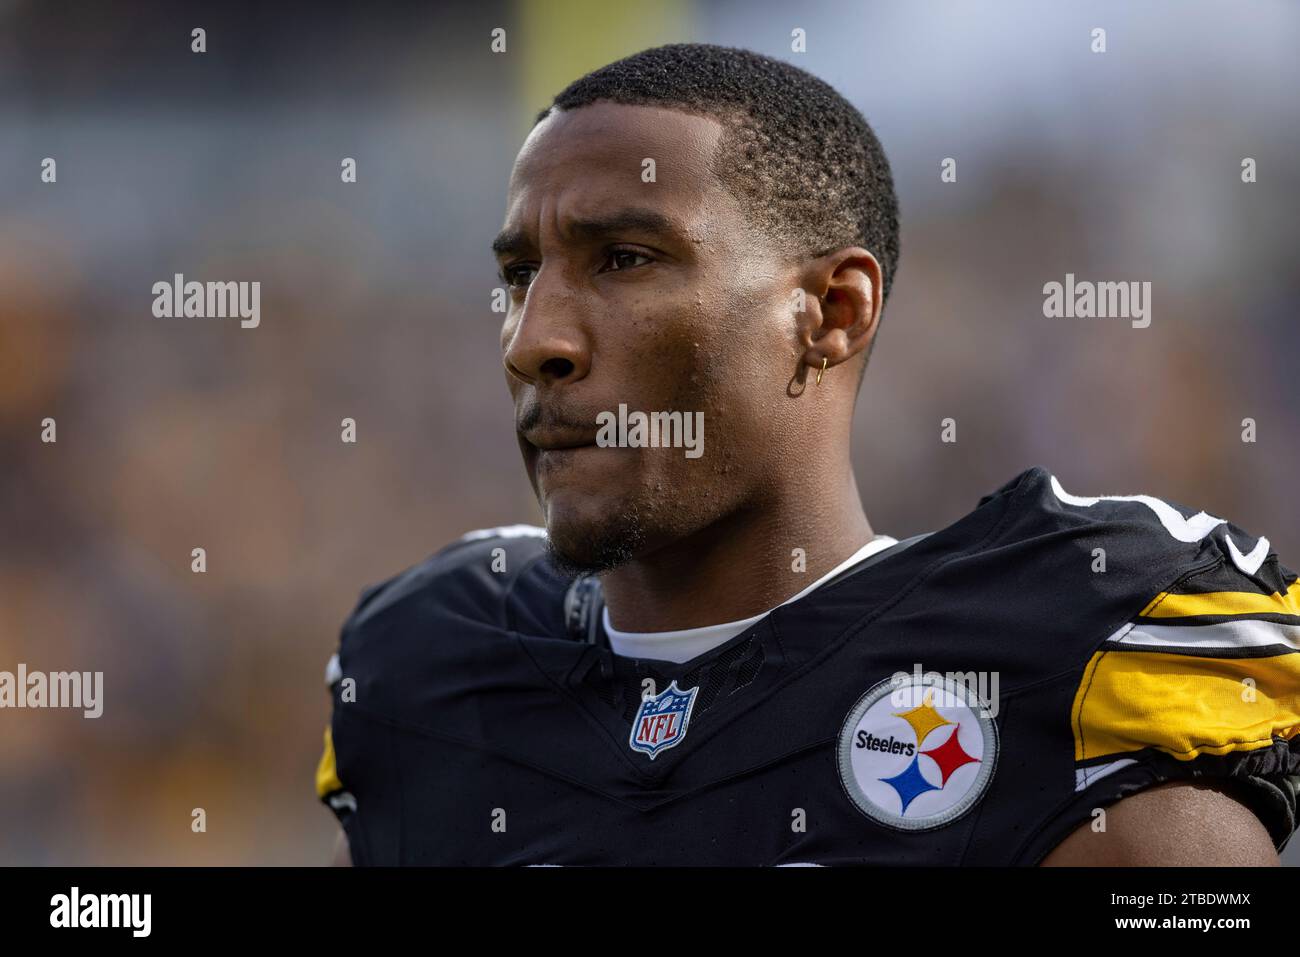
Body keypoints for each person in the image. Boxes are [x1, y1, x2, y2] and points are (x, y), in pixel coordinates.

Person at [315, 43, 1299, 865]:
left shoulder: (1064, 654)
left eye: (624, 259)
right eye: (520, 275)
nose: (534, 339)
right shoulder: (426, 667)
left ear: (831, 312)